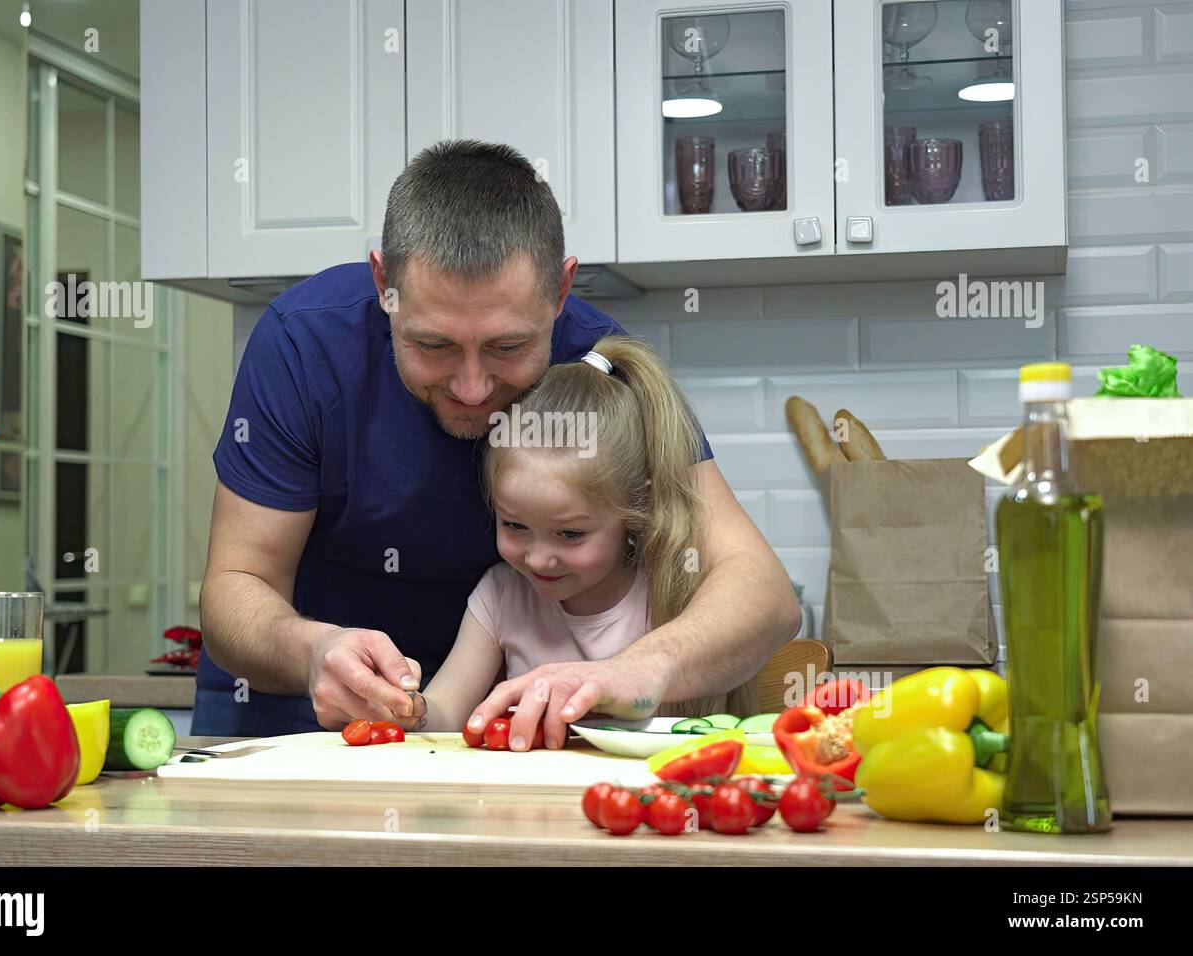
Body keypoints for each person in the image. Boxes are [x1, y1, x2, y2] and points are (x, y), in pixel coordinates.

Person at [196, 139, 801, 740]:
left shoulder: (600, 364)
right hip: (292, 719)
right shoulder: (302, 346)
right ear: (384, 284)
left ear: (562, 293)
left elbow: (763, 591)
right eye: (432, 345)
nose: (471, 386)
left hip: (500, 735)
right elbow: (235, 586)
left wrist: (636, 670)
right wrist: (313, 651)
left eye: (508, 347)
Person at [416, 335, 731, 741]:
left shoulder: (672, 591)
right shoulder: (500, 595)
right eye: (515, 526)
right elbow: (443, 712)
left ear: (640, 508)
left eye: (569, 534)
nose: (539, 559)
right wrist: (407, 708)